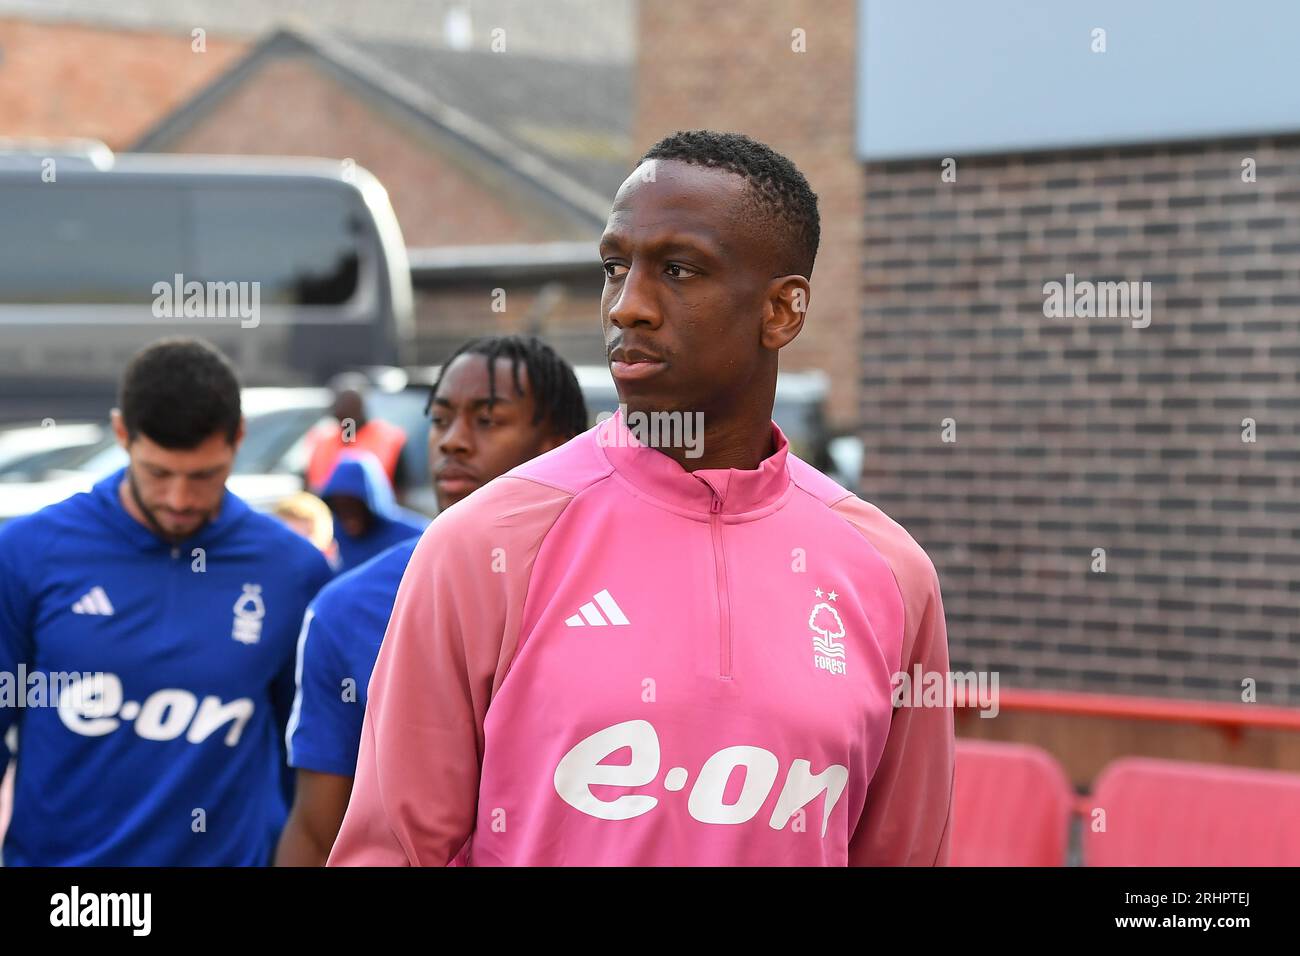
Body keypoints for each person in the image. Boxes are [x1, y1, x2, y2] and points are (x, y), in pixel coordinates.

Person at [329, 130, 954, 867]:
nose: (628, 307)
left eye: (679, 270)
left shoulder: (890, 574)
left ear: (782, 311)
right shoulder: (482, 545)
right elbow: (392, 853)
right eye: (615, 267)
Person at [0, 338, 334, 865]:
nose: (180, 500)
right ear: (120, 435)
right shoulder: (27, 554)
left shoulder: (292, 571)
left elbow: (316, 766)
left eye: (204, 475)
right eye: (158, 472)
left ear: (238, 439)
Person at [276, 335, 587, 866]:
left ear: (558, 445)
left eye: (487, 420)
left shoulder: (620, 585)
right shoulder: (348, 608)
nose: (452, 442)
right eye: (441, 420)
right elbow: (315, 831)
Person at [319, 450, 428, 572]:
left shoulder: (417, 536)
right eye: (338, 505)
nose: (347, 512)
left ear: (372, 502)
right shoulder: (337, 536)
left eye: (353, 503)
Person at [304, 375, 409, 494]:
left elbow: (402, 489)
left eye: (350, 405)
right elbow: (308, 485)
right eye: (341, 405)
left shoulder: (389, 438)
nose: (344, 410)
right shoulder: (322, 439)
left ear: (361, 407)